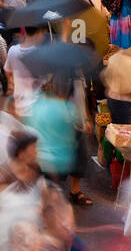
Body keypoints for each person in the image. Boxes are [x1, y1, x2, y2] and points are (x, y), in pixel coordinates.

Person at [26, 77, 90, 206]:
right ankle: (47, 200)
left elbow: (81, 94)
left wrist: (84, 117)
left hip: (70, 119)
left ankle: (69, 193)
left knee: (80, 154)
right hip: (59, 122)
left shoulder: (76, 70)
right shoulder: (51, 72)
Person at [103, 43, 131, 126]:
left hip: (112, 97)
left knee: (115, 125)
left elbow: (106, 76)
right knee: (125, 128)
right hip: (124, 101)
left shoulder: (113, 58)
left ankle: (113, 138)